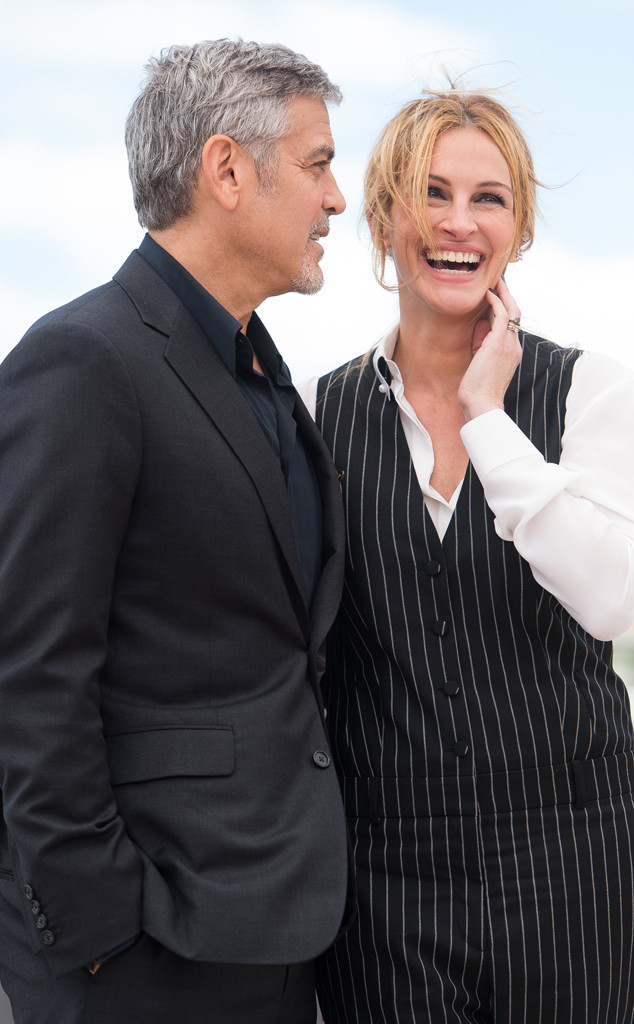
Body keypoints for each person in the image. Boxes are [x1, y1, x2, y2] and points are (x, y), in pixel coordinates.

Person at [0, 38, 351, 1024]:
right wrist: (102, 926)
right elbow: (30, 673)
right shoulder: (82, 361)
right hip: (144, 949)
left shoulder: (265, 378)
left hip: (273, 932)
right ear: (227, 170)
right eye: (320, 162)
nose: (336, 200)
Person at [301, 91, 634, 1023]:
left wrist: (491, 422)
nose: (458, 222)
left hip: (573, 869)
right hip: (385, 885)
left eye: (489, 198)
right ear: (382, 218)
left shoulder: (587, 393)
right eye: (431, 192)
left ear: (517, 228)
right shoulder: (316, 417)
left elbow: (613, 598)